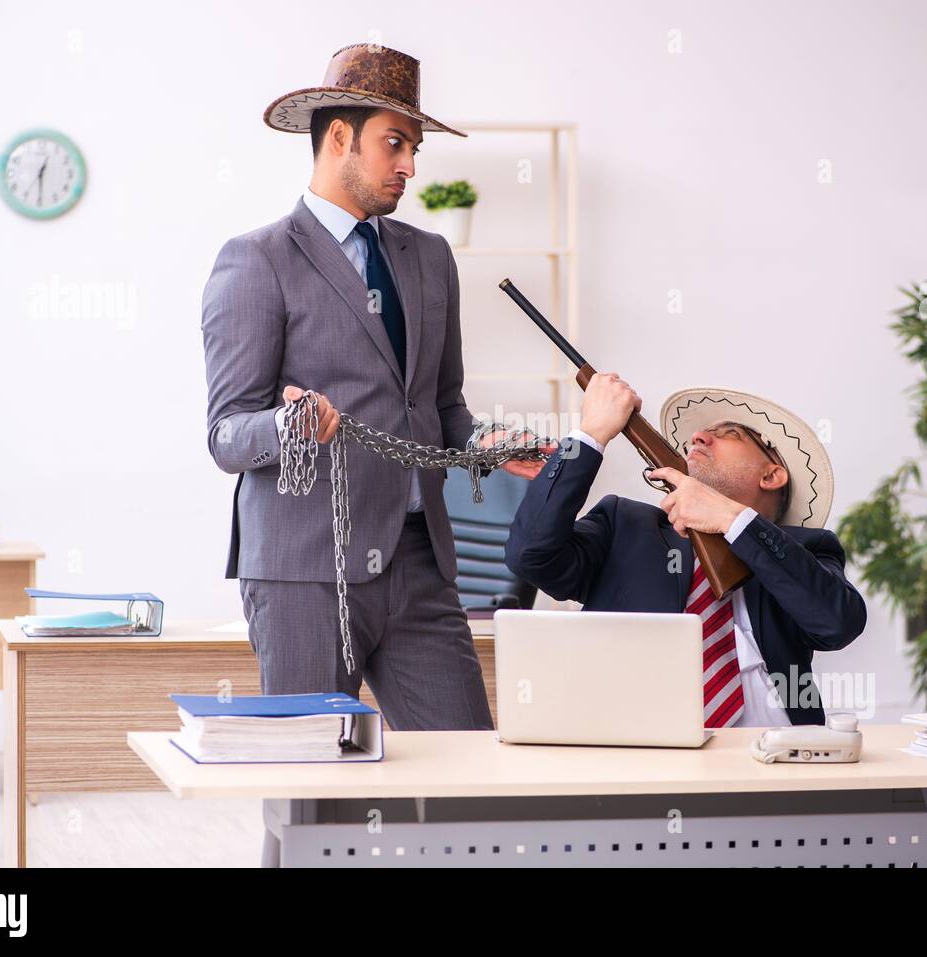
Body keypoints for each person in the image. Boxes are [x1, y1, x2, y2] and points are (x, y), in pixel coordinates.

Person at [202, 43, 548, 863]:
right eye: (396, 142)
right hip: (301, 573)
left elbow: (443, 405)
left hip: (421, 565)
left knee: (471, 782)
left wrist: (484, 447)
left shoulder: (429, 258)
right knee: (311, 799)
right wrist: (290, 427)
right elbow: (225, 433)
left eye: (416, 147)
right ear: (338, 140)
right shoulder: (255, 261)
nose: (411, 165)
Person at [504, 373, 866, 727]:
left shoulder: (807, 549)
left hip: (773, 759)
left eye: (730, 434)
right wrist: (592, 434)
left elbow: (839, 623)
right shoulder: (624, 524)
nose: (698, 437)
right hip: (637, 754)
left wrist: (732, 520)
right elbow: (530, 555)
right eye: (699, 434)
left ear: (771, 476)